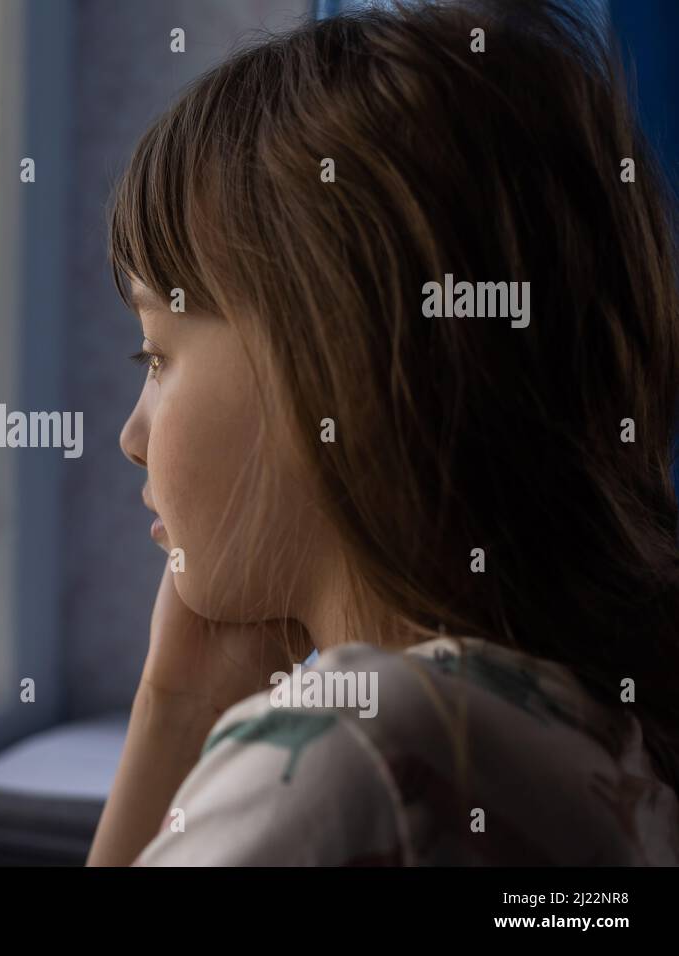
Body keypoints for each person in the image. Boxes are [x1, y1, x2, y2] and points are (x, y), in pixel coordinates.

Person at [86, 0, 679, 866]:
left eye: (157, 355)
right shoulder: (606, 733)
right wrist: (183, 697)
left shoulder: (357, 755)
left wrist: (171, 715)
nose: (132, 437)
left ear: (327, 361)